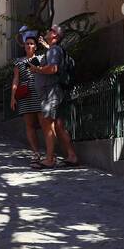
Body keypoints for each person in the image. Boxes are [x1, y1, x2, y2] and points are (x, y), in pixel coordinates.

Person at [31, 25, 78, 168]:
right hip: (55, 92)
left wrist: (37, 69)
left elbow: (53, 68)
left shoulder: (54, 50)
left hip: (50, 93)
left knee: (48, 125)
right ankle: (72, 156)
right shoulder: (55, 50)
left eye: (51, 30)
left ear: (55, 36)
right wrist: (47, 47)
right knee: (58, 126)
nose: (47, 31)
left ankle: (50, 159)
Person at [11, 32, 43, 165]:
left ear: (35, 46)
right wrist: (13, 97)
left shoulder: (42, 58)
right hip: (25, 95)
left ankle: (50, 154)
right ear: (24, 46)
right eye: (27, 44)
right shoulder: (19, 62)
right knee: (29, 126)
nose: (29, 46)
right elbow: (16, 79)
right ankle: (35, 153)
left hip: (40, 93)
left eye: (31, 44)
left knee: (45, 124)